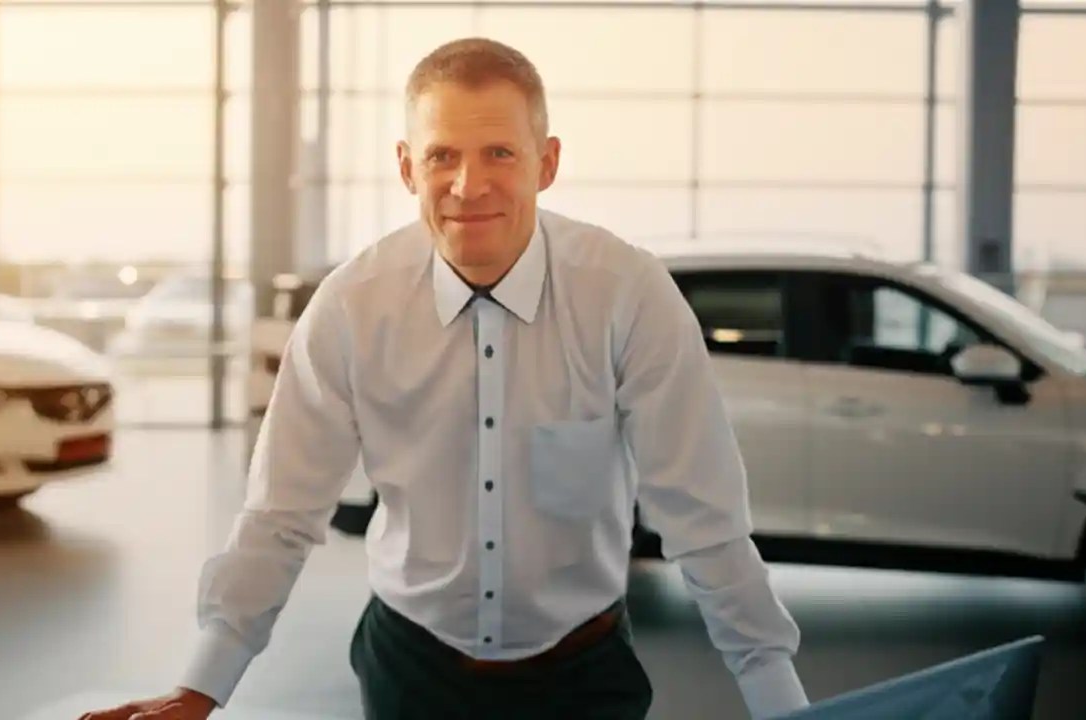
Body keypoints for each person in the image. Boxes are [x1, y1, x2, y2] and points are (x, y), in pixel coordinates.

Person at [81, 37, 810, 720]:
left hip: (583, 676)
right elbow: (282, 514)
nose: (469, 184)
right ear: (407, 167)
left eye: (499, 151)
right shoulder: (351, 307)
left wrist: (783, 702)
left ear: (546, 162)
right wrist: (199, 688)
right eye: (442, 156)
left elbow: (703, 517)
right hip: (411, 672)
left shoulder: (627, 293)